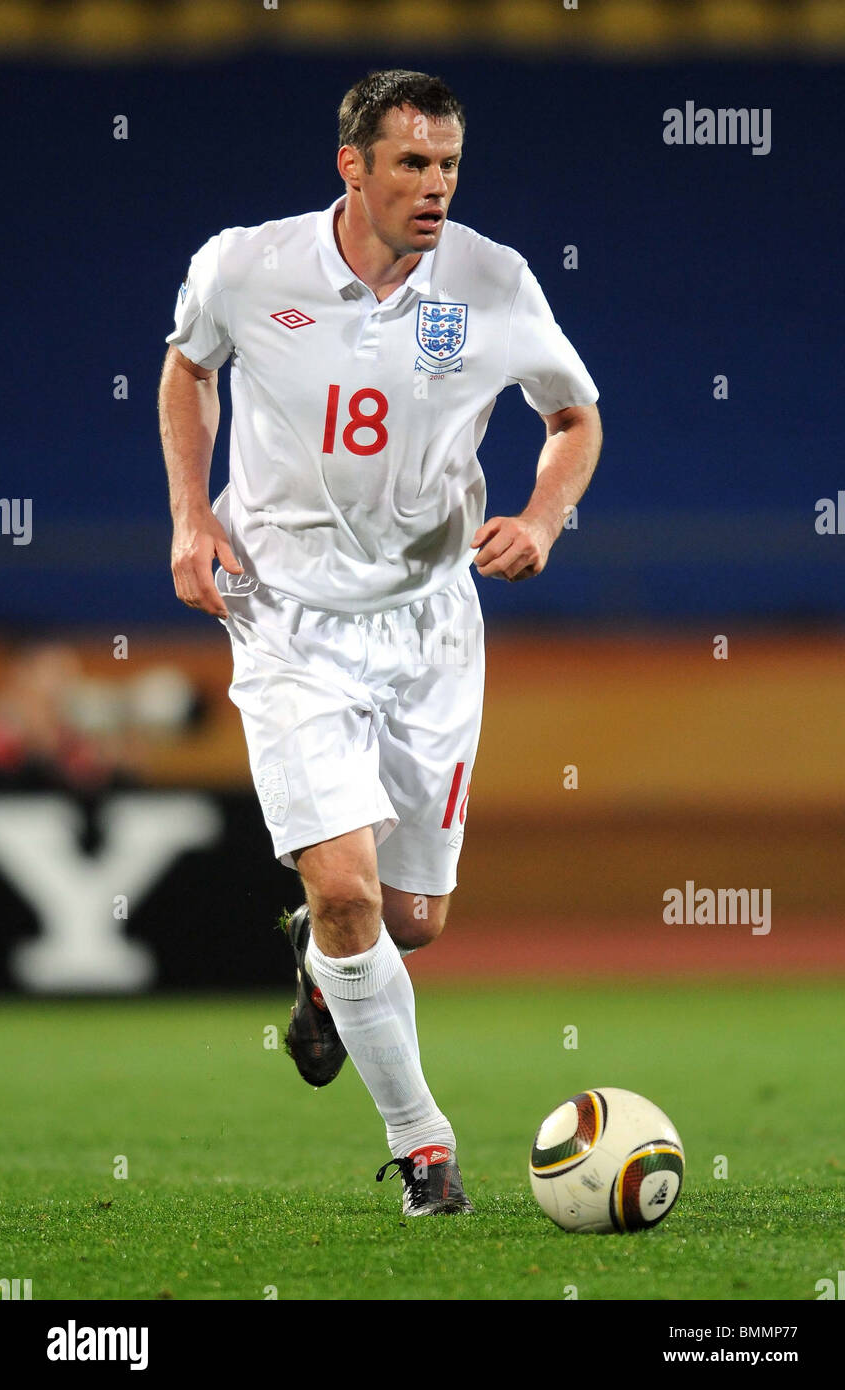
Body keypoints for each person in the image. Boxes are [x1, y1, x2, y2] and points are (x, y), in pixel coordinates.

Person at [158, 68, 602, 1216]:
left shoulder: (492, 281)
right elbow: (186, 369)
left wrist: (544, 517)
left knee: (410, 923)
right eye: (411, 163)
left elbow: (572, 414)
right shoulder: (246, 269)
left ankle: (322, 957)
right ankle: (425, 1151)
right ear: (349, 166)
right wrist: (191, 513)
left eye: (448, 164)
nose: (435, 187)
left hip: (429, 628)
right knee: (355, 891)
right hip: (287, 618)